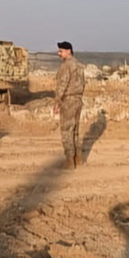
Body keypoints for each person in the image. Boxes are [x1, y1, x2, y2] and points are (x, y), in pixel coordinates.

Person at [53, 41, 85, 169]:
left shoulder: (66, 66)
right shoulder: (79, 65)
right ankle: (78, 158)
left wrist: (57, 101)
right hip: (78, 100)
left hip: (69, 101)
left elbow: (62, 85)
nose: (59, 53)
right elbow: (83, 83)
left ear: (68, 51)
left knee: (66, 131)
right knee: (76, 131)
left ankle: (69, 162)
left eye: (61, 51)